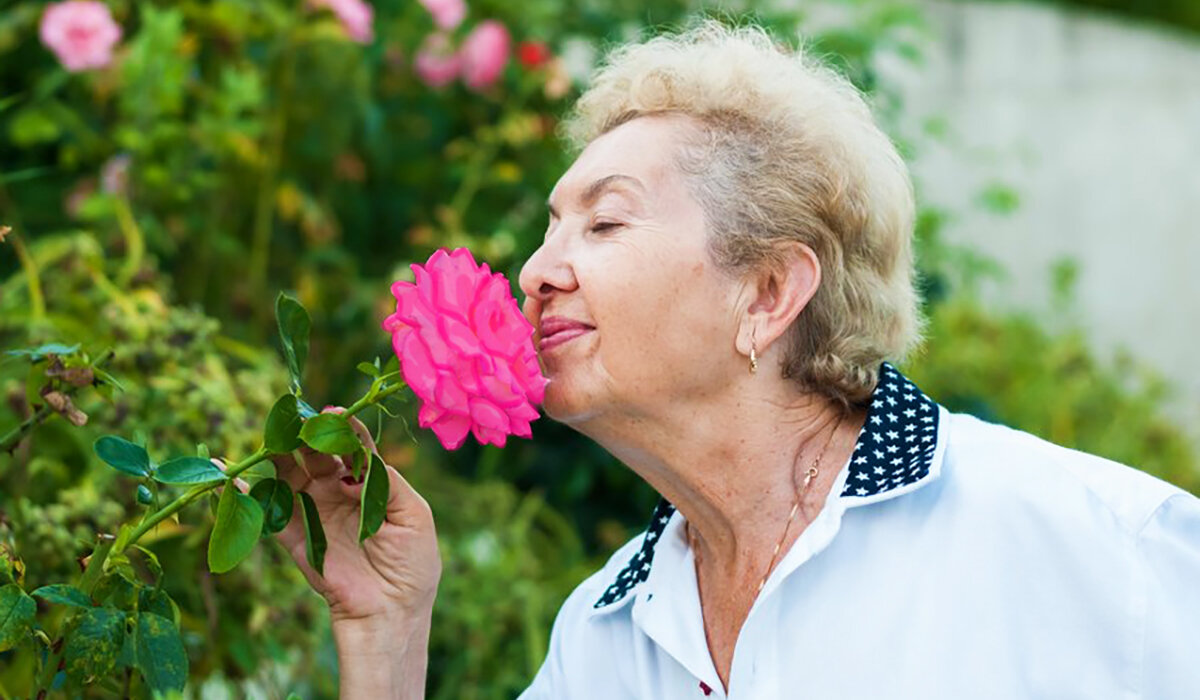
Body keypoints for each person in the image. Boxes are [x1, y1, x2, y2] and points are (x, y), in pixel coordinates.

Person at [265, 23, 1200, 699]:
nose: (538, 272)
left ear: (766, 294)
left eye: (604, 221)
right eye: (550, 230)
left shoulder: (1097, 544)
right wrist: (387, 629)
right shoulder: (604, 639)